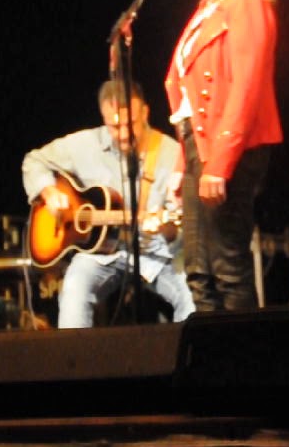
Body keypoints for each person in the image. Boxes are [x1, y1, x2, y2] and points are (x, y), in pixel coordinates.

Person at [165, 0, 283, 312]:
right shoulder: (209, 7)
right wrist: (184, 161)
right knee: (199, 271)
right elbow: (188, 98)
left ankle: (247, 370)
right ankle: (215, 369)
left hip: (229, 147)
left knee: (228, 267)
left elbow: (246, 86)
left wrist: (219, 162)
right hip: (201, 147)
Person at [22, 80, 195, 328]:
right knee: (73, 290)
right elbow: (34, 160)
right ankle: (76, 366)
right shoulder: (85, 144)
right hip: (101, 254)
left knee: (193, 297)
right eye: (114, 127)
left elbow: (181, 226)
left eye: (131, 124)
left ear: (145, 112)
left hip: (157, 252)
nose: (123, 134)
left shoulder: (172, 154)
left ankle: (184, 362)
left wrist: (167, 230)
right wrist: (48, 192)